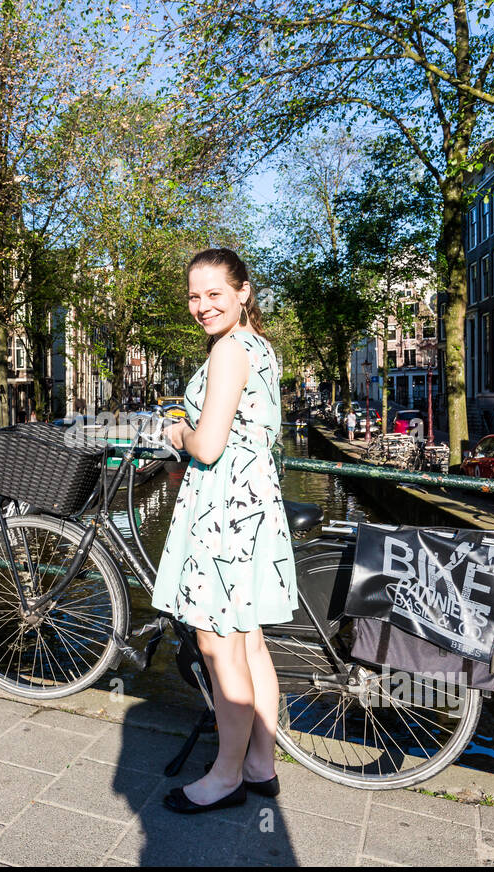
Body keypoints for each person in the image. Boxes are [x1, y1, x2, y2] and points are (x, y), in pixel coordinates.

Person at [151, 248, 299, 814]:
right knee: (251, 643)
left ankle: (225, 776)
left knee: (218, 643)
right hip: (254, 506)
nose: (202, 305)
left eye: (214, 293)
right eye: (194, 295)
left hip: (224, 512)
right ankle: (260, 766)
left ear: (243, 292)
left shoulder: (229, 352)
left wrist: (175, 430)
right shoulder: (258, 347)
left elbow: (209, 445)